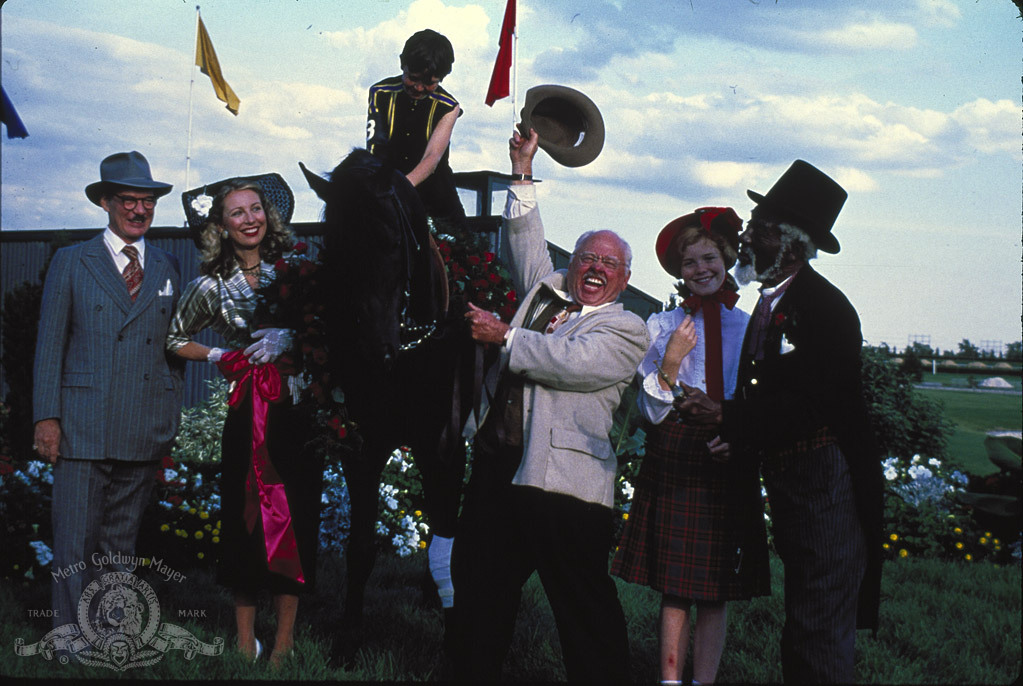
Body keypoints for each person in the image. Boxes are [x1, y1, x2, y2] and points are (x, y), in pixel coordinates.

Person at [450, 128, 649, 682]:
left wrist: (504, 339)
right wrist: (521, 170)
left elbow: (573, 365)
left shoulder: (626, 328)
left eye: (608, 263)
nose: (595, 267)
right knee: (480, 594)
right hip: (499, 471)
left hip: (565, 488)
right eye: (587, 256)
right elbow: (524, 240)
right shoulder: (547, 291)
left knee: (583, 609)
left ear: (624, 278)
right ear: (573, 261)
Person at [676, 160, 883, 683]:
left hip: (827, 486)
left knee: (819, 623)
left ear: (790, 243)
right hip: (797, 485)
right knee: (805, 618)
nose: (744, 235)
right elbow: (770, 398)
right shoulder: (773, 303)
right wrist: (736, 437)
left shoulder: (826, 309)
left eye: (758, 226)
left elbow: (811, 404)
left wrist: (727, 414)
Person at [611, 208, 770, 685]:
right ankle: (670, 680)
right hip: (677, 454)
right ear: (679, 272)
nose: (701, 270)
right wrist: (672, 364)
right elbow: (652, 413)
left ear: (726, 260)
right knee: (677, 587)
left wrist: (739, 443)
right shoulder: (661, 327)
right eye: (689, 263)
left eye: (709, 259)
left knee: (717, 588)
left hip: (729, 453)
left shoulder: (749, 327)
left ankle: (704, 680)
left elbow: (760, 404)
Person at [169, 177, 322, 667]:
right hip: (246, 413)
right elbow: (175, 337)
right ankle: (242, 640)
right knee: (245, 517)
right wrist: (221, 352)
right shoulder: (210, 285)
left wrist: (293, 340)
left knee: (292, 518)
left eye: (256, 209)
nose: (250, 219)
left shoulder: (297, 270)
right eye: (237, 213)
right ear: (221, 226)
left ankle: (283, 641)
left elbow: (331, 328)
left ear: (268, 215)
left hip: (297, 411)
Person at [33, 150, 182, 630]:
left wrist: (168, 411)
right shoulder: (72, 261)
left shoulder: (168, 265)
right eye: (127, 201)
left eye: (148, 202)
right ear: (105, 203)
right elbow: (49, 346)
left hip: (142, 423)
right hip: (83, 425)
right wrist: (46, 418)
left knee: (121, 542)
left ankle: (110, 631)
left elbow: (174, 349)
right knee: (74, 542)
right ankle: (67, 636)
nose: (139, 210)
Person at [366, 28, 466, 228]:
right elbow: (375, 149)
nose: (419, 88)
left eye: (430, 83)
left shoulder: (449, 106)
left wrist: (399, 189)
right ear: (403, 64)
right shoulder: (380, 93)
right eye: (413, 78)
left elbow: (432, 158)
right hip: (387, 191)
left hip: (437, 199)